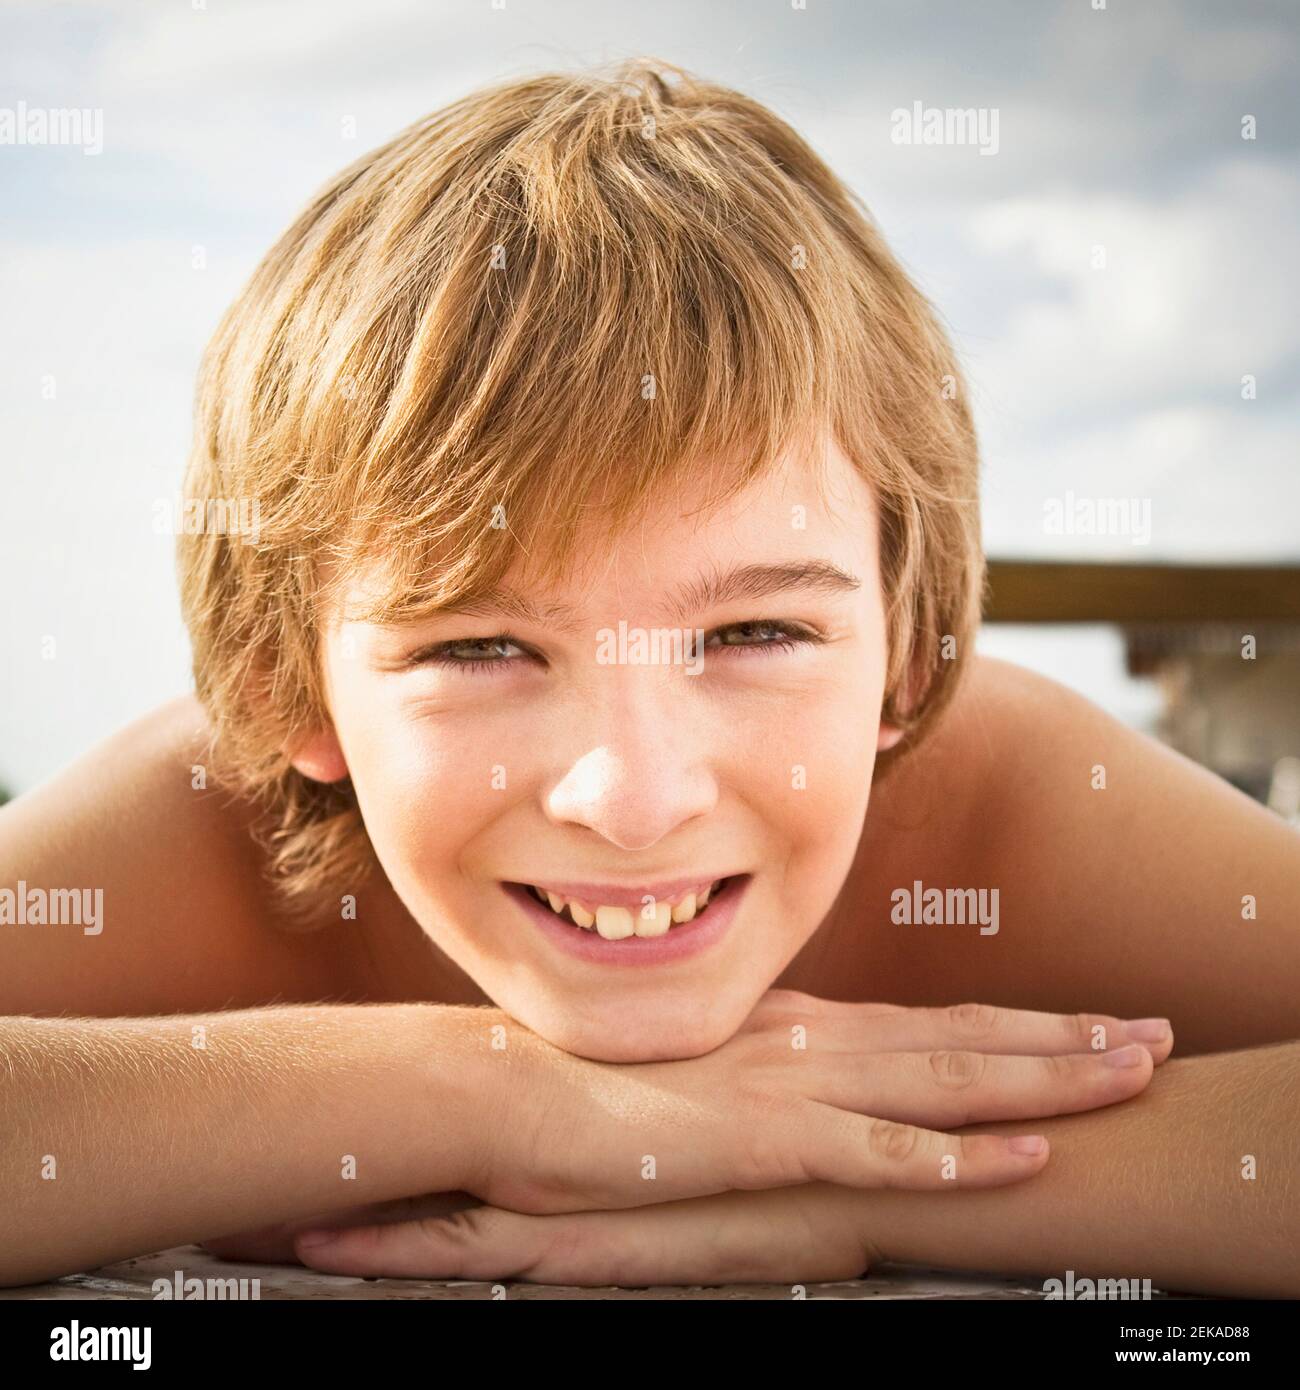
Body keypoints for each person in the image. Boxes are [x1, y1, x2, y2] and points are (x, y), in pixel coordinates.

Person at [2, 59, 1296, 1296]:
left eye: (754, 635)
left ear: (908, 651)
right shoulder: (208, 834)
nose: (636, 800)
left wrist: (857, 1174)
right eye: (477, 647)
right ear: (291, 685)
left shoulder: (1005, 800)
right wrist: (490, 1094)